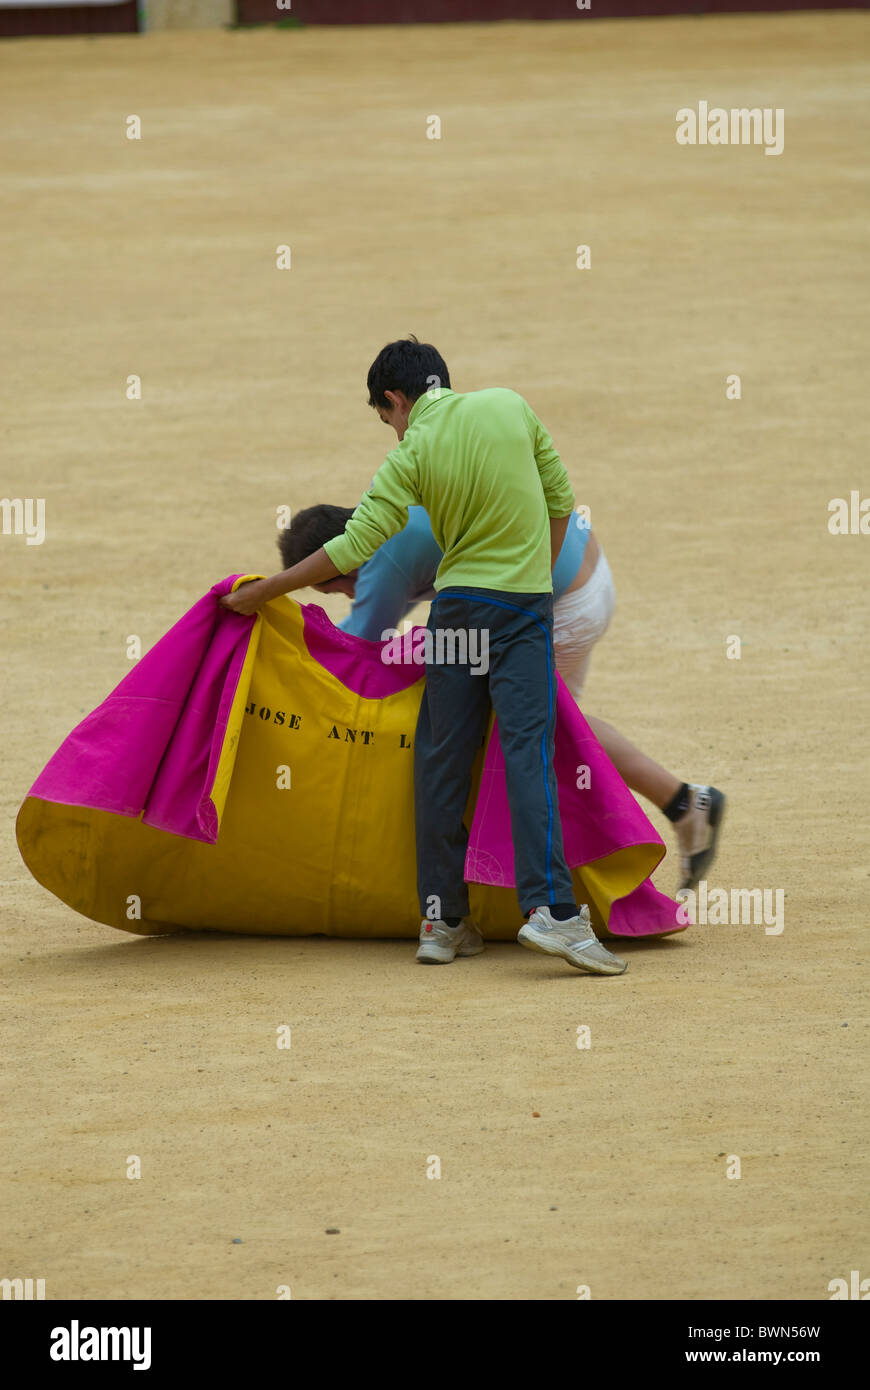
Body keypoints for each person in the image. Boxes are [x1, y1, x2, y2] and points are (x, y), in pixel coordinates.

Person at [221, 336, 626, 975]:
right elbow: (558, 501)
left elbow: (353, 547)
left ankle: (441, 921)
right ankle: (552, 912)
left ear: (395, 399)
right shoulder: (509, 406)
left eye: (387, 419)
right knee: (526, 751)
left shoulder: (410, 453)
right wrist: (536, 584)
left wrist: (265, 591)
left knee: (440, 760)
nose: (393, 430)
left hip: (456, 615)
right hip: (519, 613)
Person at [275, 505, 725, 892]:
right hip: (584, 572)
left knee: (536, 731)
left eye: (332, 587)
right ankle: (678, 807)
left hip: (562, 602)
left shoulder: (376, 565)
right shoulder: (385, 512)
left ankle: (679, 805)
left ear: (337, 563)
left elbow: (356, 649)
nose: (348, 595)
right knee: (557, 730)